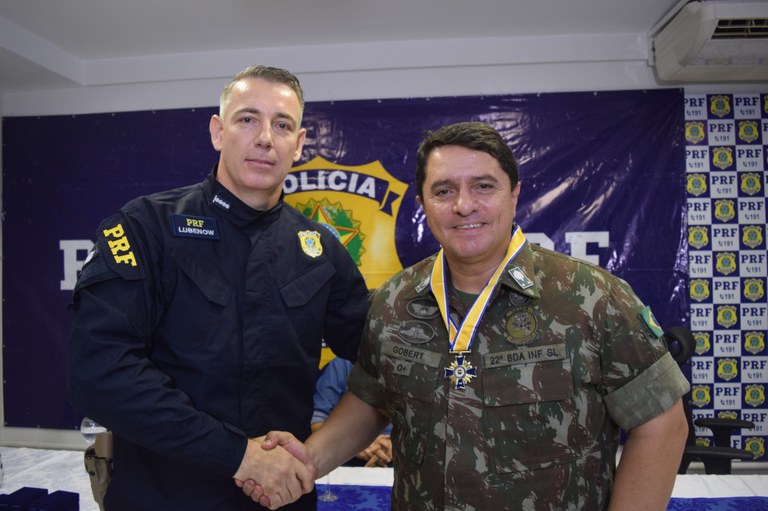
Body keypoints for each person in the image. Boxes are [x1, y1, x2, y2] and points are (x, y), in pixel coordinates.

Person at [254, 121, 691, 510]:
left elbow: (662, 425)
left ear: (514, 193)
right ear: (423, 203)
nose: (464, 205)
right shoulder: (393, 301)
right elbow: (372, 400)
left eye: (484, 186)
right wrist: (309, 459)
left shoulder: (592, 296)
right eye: (444, 191)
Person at [67, 65, 369, 511]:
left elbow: (383, 362)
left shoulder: (321, 250)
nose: (265, 138)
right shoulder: (146, 227)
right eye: (247, 119)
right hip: (163, 500)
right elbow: (99, 372)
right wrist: (240, 456)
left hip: (281, 501)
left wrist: (313, 457)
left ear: (299, 143)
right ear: (218, 131)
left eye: (282, 125)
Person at [311, 357, 392, 467]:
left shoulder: (413, 368)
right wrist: (358, 447)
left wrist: (396, 447)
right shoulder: (341, 365)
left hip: (400, 464)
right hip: (345, 463)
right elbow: (317, 423)